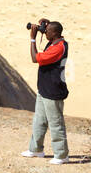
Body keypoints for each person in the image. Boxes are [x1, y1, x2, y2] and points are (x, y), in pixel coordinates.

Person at [21, 19, 69, 164]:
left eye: (47, 31)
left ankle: (61, 155)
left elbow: (35, 58)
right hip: (44, 89)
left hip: (53, 91)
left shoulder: (58, 47)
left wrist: (32, 38)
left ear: (54, 33)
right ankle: (36, 149)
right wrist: (46, 23)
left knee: (56, 123)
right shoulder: (54, 41)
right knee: (39, 121)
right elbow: (53, 28)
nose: (45, 32)